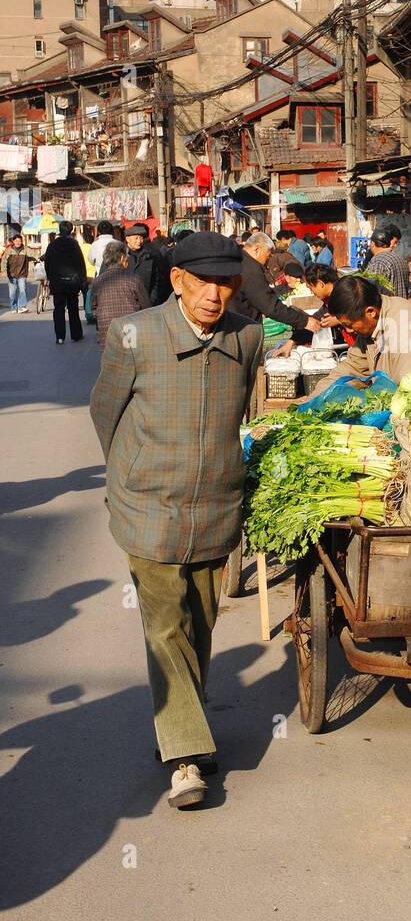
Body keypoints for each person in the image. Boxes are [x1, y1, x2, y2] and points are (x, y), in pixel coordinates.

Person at [89, 231, 262, 810]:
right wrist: (129, 474)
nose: (216, 295)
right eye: (205, 282)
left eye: (227, 283)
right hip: (149, 505)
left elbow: (245, 412)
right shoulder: (133, 336)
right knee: (164, 626)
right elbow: (104, 411)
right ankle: (185, 757)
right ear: (178, 281)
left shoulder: (247, 336)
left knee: (201, 621)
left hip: (216, 501)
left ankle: (184, 722)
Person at [316, 275, 411, 390]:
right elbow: (353, 368)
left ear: (370, 312)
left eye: (349, 325)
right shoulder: (370, 324)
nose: (348, 330)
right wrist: (318, 396)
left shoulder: (408, 331)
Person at [230, 231, 321, 340]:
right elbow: (270, 306)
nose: (268, 261)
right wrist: (304, 321)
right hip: (241, 331)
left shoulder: (240, 261)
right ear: (257, 249)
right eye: (268, 256)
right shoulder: (251, 270)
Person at [90, 241, 149, 346]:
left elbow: (93, 308)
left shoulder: (97, 281)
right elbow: (146, 307)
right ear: (122, 258)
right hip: (130, 327)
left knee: (109, 358)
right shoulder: (134, 279)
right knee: (130, 357)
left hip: (106, 328)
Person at [44, 220, 87, 343]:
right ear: (71, 230)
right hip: (72, 282)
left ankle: (60, 337)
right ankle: (76, 334)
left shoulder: (52, 245)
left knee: (58, 309)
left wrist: (51, 278)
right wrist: (82, 280)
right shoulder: (74, 244)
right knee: (73, 309)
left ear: (59, 230)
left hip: (57, 283)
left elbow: (48, 264)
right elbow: (80, 264)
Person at [125, 223, 169, 306]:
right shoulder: (120, 256)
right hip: (125, 304)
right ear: (127, 239)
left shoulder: (149, 255)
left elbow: (157, 280)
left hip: (146, 304)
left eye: (141, 238)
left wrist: (151, 300)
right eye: (136, 238)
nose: (139, 241)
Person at [368, 225, 410, 296]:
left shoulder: (379, 262)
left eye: (397, 242)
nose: (395, 245)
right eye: (395, 242)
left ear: (372, 244)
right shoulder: (400, 259)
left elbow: (371, 290)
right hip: (402, 304)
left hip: (389, 305)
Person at [2, 231, 31, 313]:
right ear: (13, 241)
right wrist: (4, 271)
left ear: (22, 241)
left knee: (22, 290)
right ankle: (13, 307)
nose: (18, 242)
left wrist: (39, 259)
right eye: (16, 241)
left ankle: (22, 306)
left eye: (19, 241)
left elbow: (34, 255)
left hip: (22, 274)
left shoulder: (25, 249)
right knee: (12, 293)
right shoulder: (8, 250)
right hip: (11, 274)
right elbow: (4, 261)